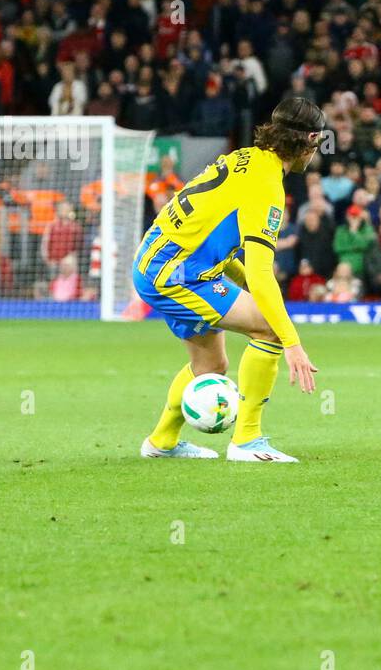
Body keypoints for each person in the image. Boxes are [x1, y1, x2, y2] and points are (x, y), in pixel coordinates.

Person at [132, 97, 323, 463]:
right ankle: (247, 440)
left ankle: (161, 442)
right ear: (309, 140)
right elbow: (261, 272)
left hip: (159, 261)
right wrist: (293, 343)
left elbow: (213, 236)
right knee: (270, 329)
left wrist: (243, 280)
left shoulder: (244, 158)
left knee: (211, 366)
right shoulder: (267, 185)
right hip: (176, 273)